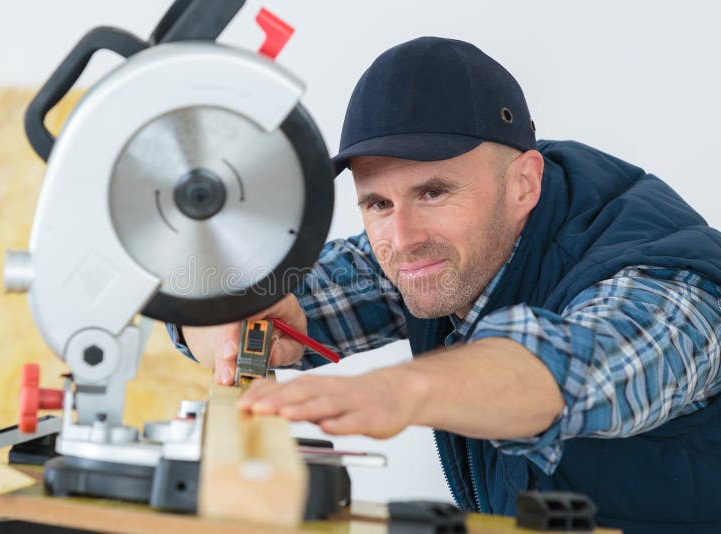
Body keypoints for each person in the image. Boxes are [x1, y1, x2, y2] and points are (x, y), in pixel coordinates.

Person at [167, 37, 721, 533]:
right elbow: (245, 297)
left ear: (524, 183)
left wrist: (400, 391)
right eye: (378, 203)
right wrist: (226, 325)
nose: (403, 238)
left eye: (433, 192)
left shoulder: (671, 286)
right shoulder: (438, 251)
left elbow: (569, 370)